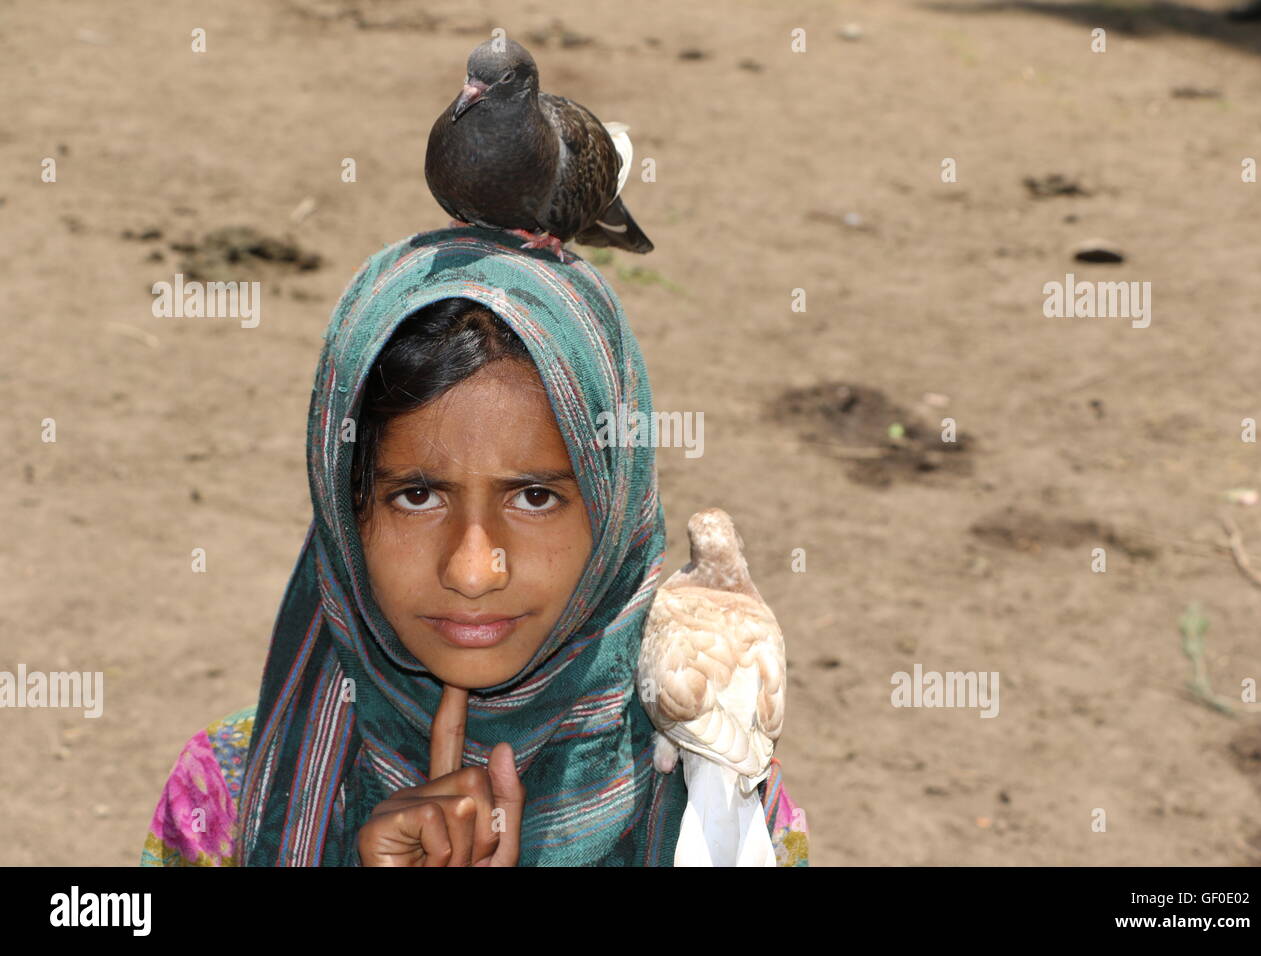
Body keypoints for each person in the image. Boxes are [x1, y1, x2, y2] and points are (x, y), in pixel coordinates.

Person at [139, 227, 810, 866]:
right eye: (418, 495)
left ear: (616, 515)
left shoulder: (727, 810)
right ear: (344, 516)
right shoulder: (224, 798)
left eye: (535, 497)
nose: (472, 571)